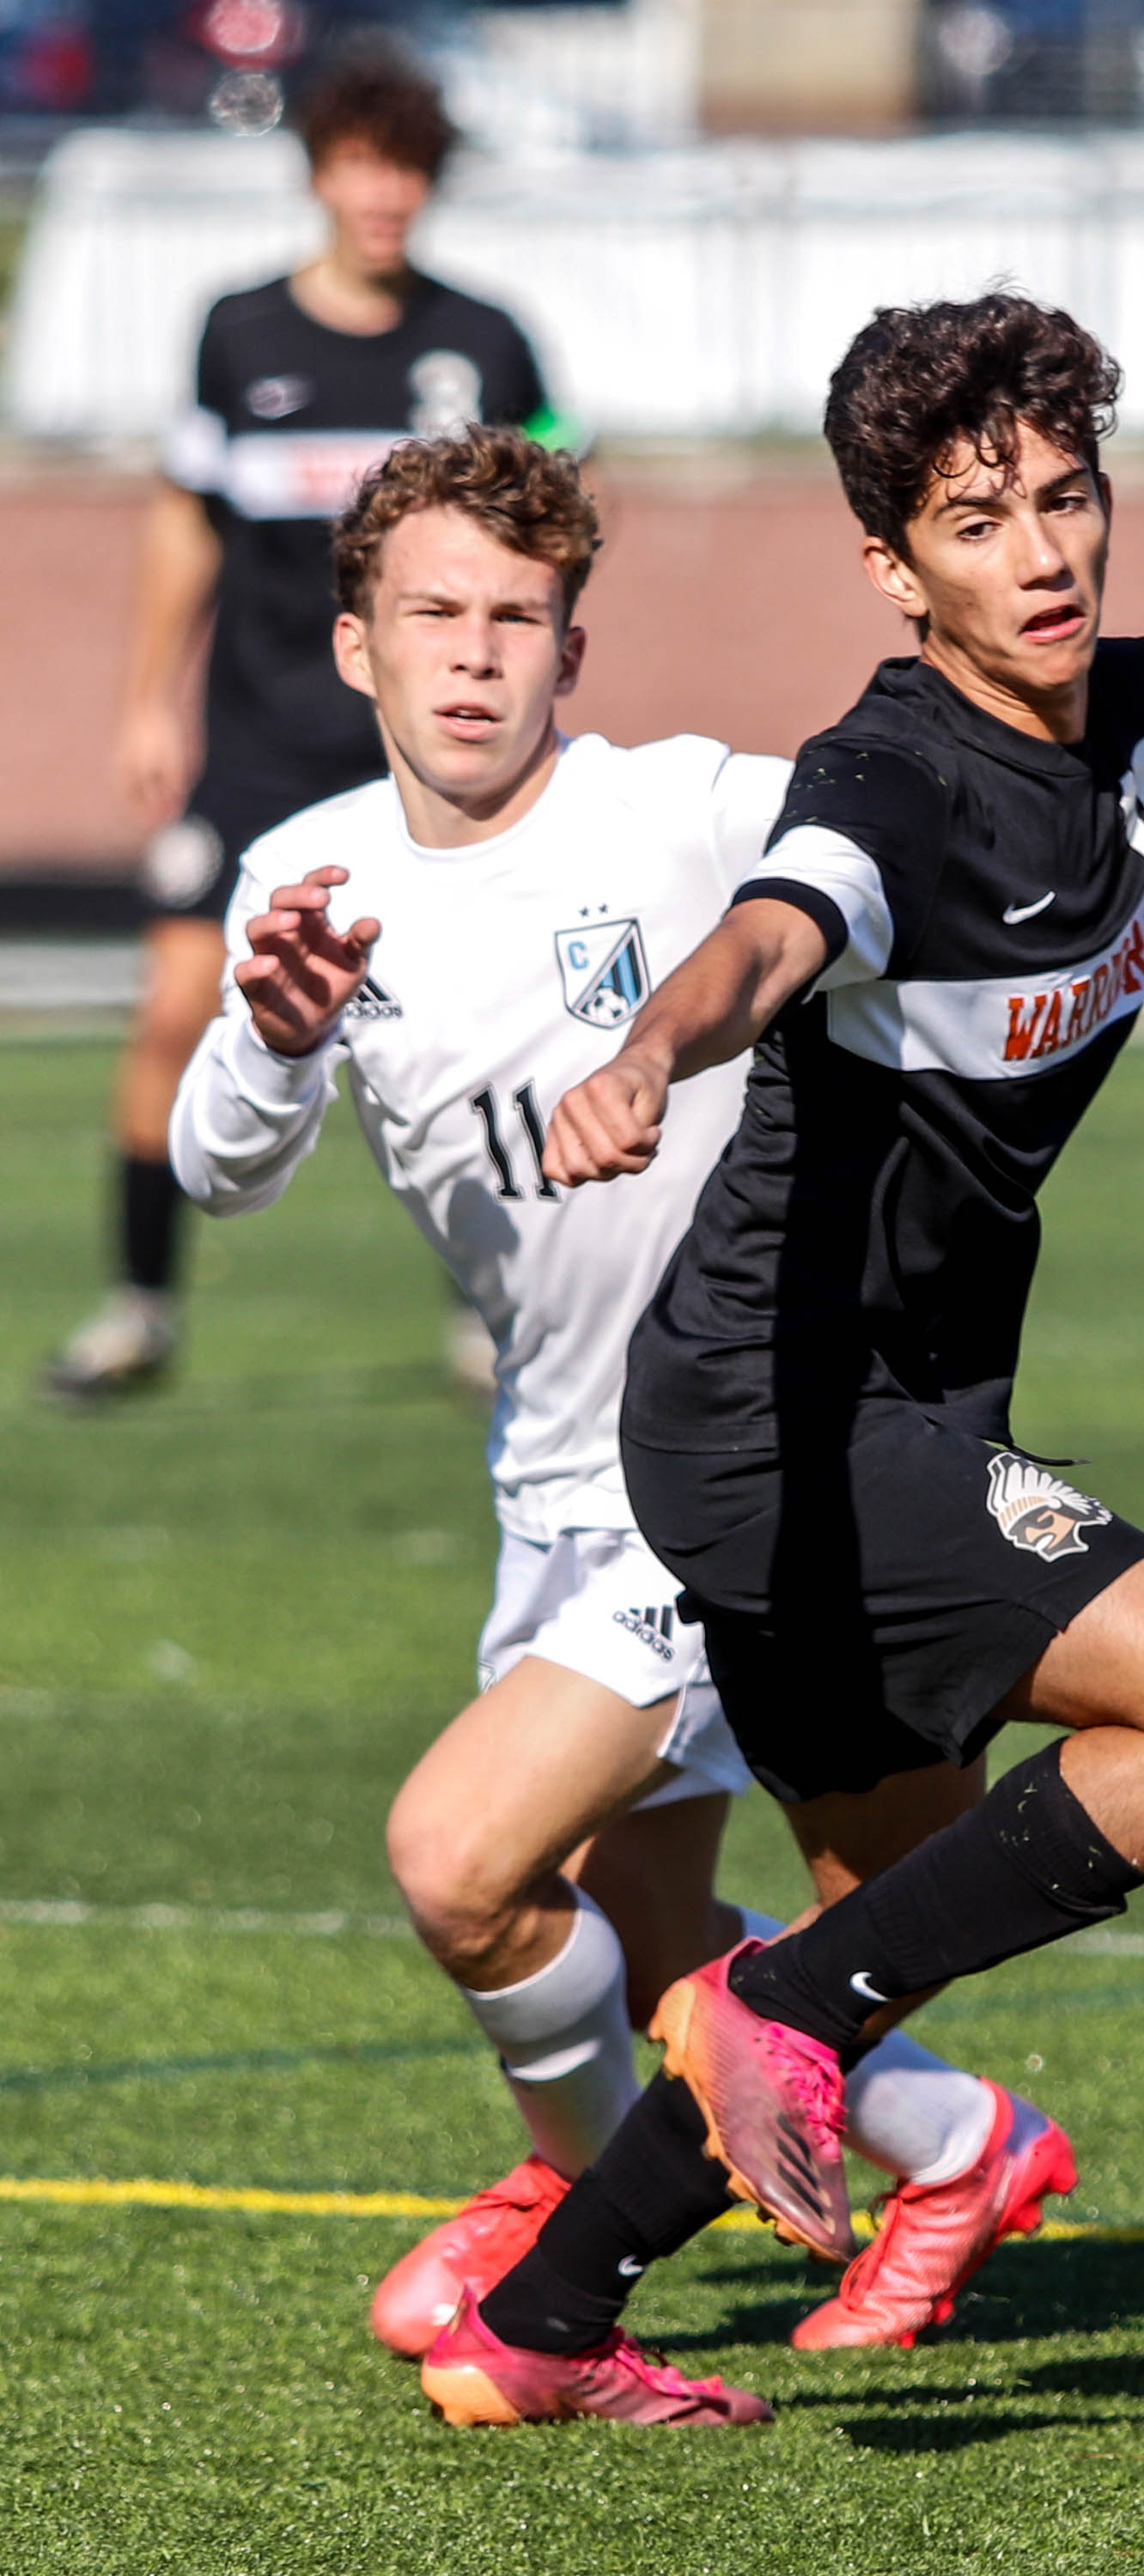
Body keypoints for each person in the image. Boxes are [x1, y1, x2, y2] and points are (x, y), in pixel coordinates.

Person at [417, 295, 1144, 2430]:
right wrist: (657, 1040)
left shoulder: (1141, 721)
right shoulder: (889, 775)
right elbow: (783, 921)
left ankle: (542, 2331)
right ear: (890, 565)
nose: (1040, 553)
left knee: (860, 1958)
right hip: (787, 1421)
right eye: (974, 519)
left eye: (1061, 497)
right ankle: (766, 2022)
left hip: (891, 1408)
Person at [167, 424, 1073, 2422]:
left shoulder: (675, 815)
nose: (475, 655)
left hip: (730, 1448)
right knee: (652, 1936)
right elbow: (217, 1168)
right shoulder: (302, 882)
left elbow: (892, 836)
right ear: (353, 649)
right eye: (434, 616)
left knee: (462, 1861)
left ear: (575, 649)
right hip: (548, 1472)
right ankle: (961, 2144)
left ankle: (574, 2250)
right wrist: (269, 1032)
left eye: (518, 617)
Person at [49, 41, 568, 1401]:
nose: (381, 193)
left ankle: (491, 1307)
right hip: (259, 744)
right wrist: (148, 701)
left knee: (465, 1025)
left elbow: (556, 524)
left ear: (429, 184)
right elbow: (186, 527)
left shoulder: (487, 344)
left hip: (420, 764)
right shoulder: (240, 333)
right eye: (358, 165)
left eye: (405, 169)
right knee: (174, 1010)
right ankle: (138, 1309)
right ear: (319, 176)